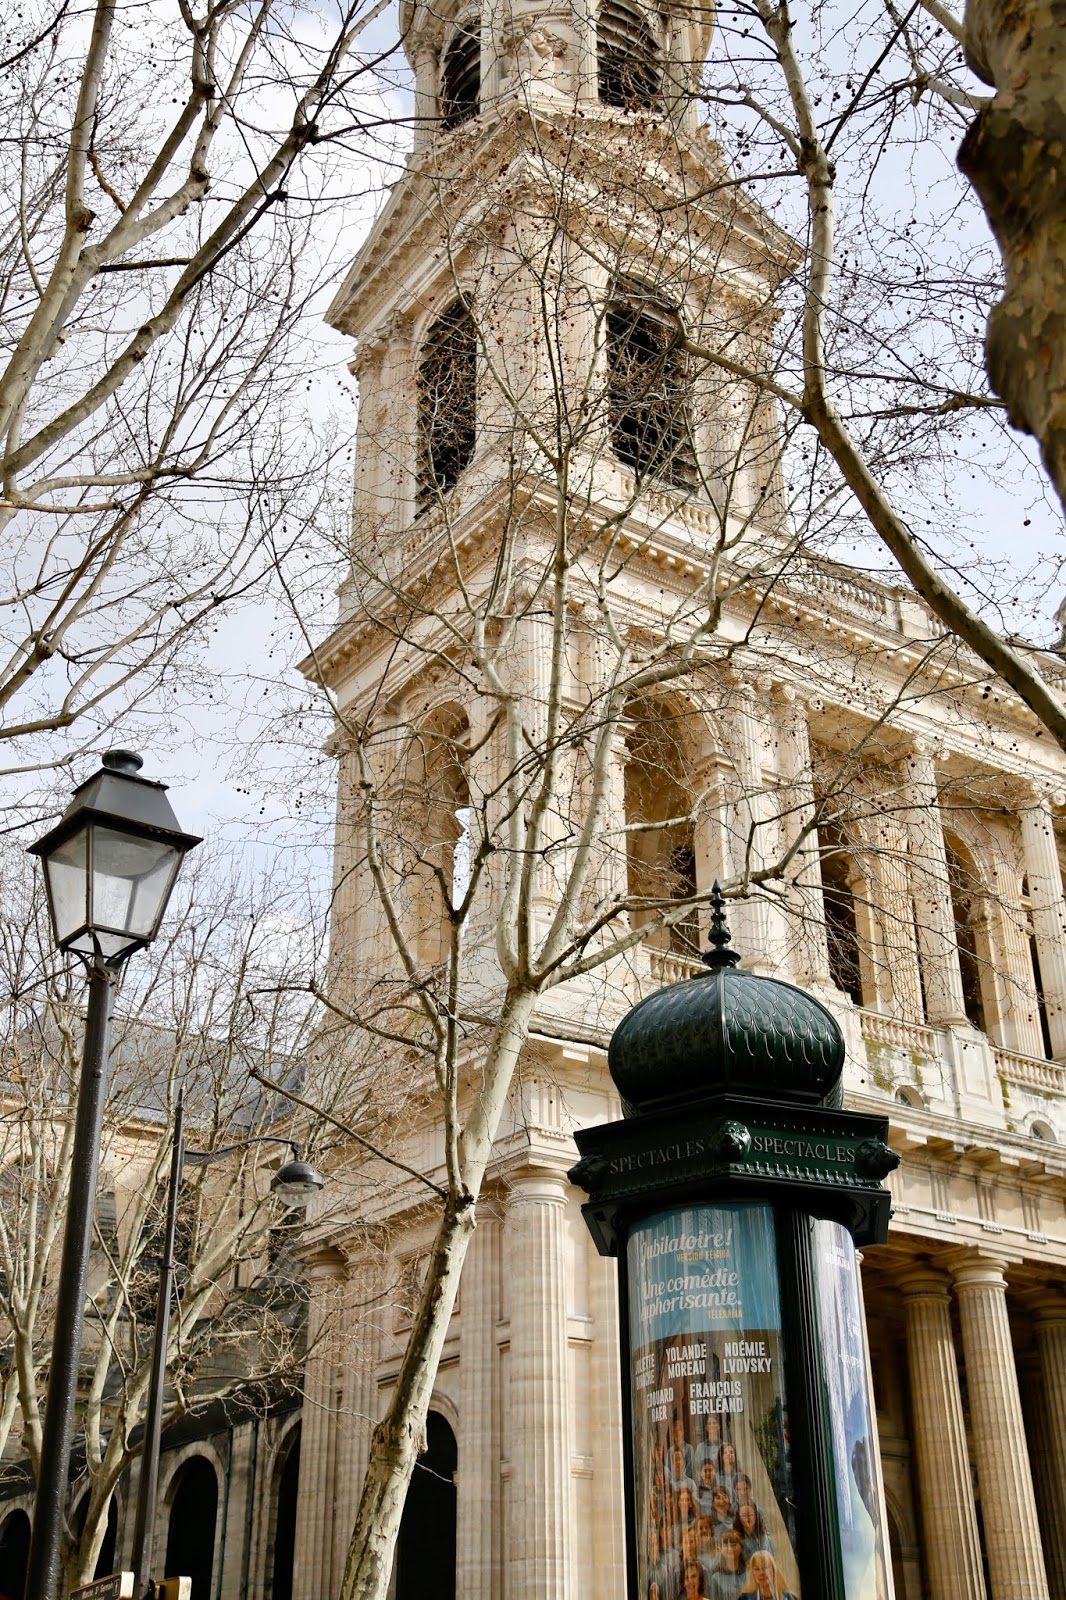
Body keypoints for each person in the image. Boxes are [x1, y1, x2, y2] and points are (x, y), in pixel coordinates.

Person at [707, 1530, 746, 1600]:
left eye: (733, 1545)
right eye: (725, 1545)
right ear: (721, 1549)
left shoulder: (750, 1573)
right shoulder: (715, 1578)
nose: (730, 1549)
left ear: (741, 1548)